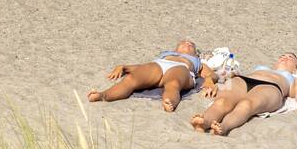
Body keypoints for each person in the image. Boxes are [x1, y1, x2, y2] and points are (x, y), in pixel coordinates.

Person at [191, 53, 297, 136]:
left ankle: (224, 127)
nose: (285, 58)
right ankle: (204, 122)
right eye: (282, 56)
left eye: (290, 57)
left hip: (271, 86)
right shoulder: (262, 68)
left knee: (246, 105)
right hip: (243, 80)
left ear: (295, 68)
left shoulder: (294, 78)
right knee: (222, 102)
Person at [88, 40, 217, 112]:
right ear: (176, 48)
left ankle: (169, 102)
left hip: (182, 68)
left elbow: (211, 74)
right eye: (183, 42)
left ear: (195, 53)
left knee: (173, 84)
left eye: (191, 45)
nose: (187, 43)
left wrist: (210, 80)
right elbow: (142, 68)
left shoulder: (196, 61)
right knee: (132, 79)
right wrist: (124, 67)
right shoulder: (165, 54)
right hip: (160, 64)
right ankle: (103, 95)